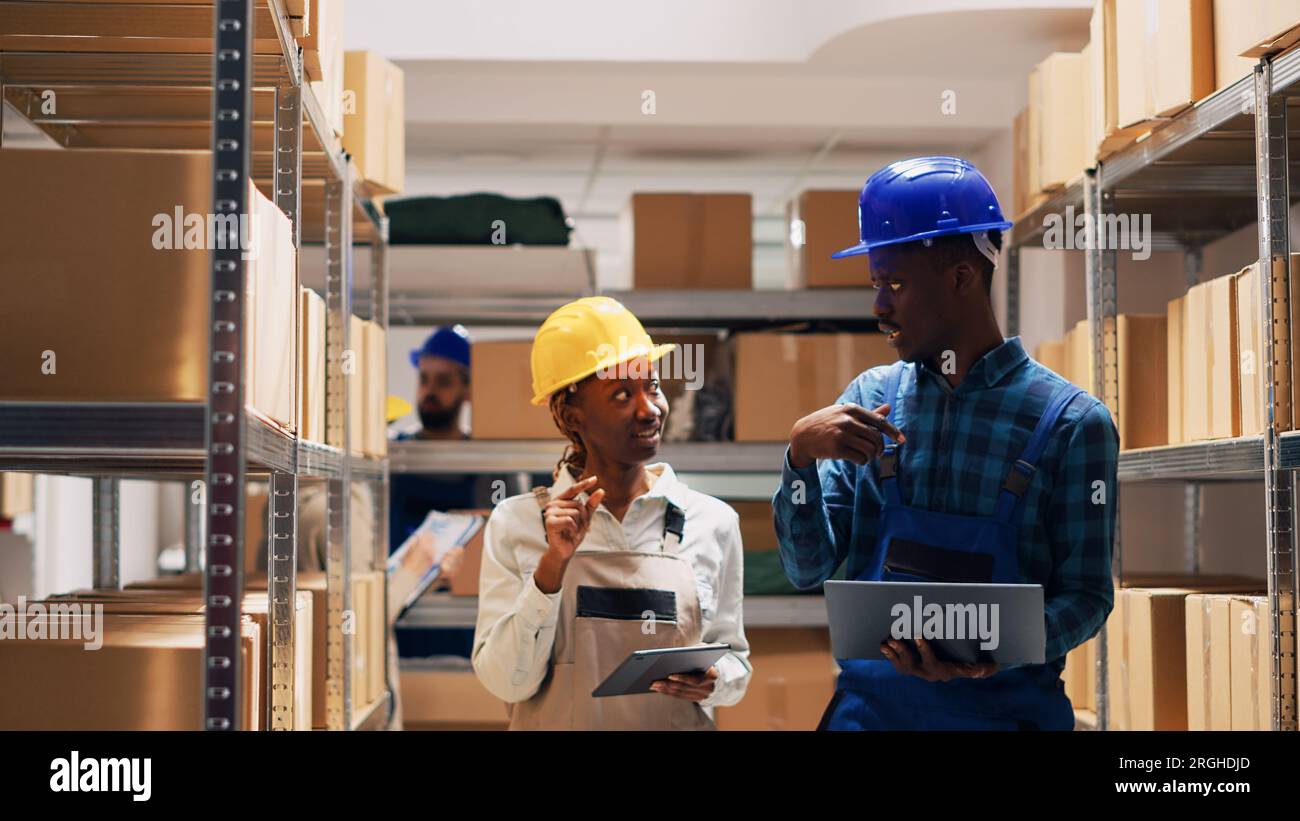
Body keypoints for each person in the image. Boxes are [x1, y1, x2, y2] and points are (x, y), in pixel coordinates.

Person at [772, 156, 1118, 731]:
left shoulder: (1073, 422)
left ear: (960, 278)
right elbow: (808, 571)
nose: (878, 306)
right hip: (872, 716)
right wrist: (799, 460)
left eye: (896, 283)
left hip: (1008, 717)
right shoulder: (868, 400)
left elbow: (1086, 596)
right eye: (875, 284)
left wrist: (995, 653)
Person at [472, 297, 751, 729]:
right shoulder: (517, 524)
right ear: (571, 413)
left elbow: (736, 664)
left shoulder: (712, 522)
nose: (650, 409)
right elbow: (507, 684)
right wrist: (550, 570)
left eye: (653, 387)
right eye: (622, 394)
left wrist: (716, 680)